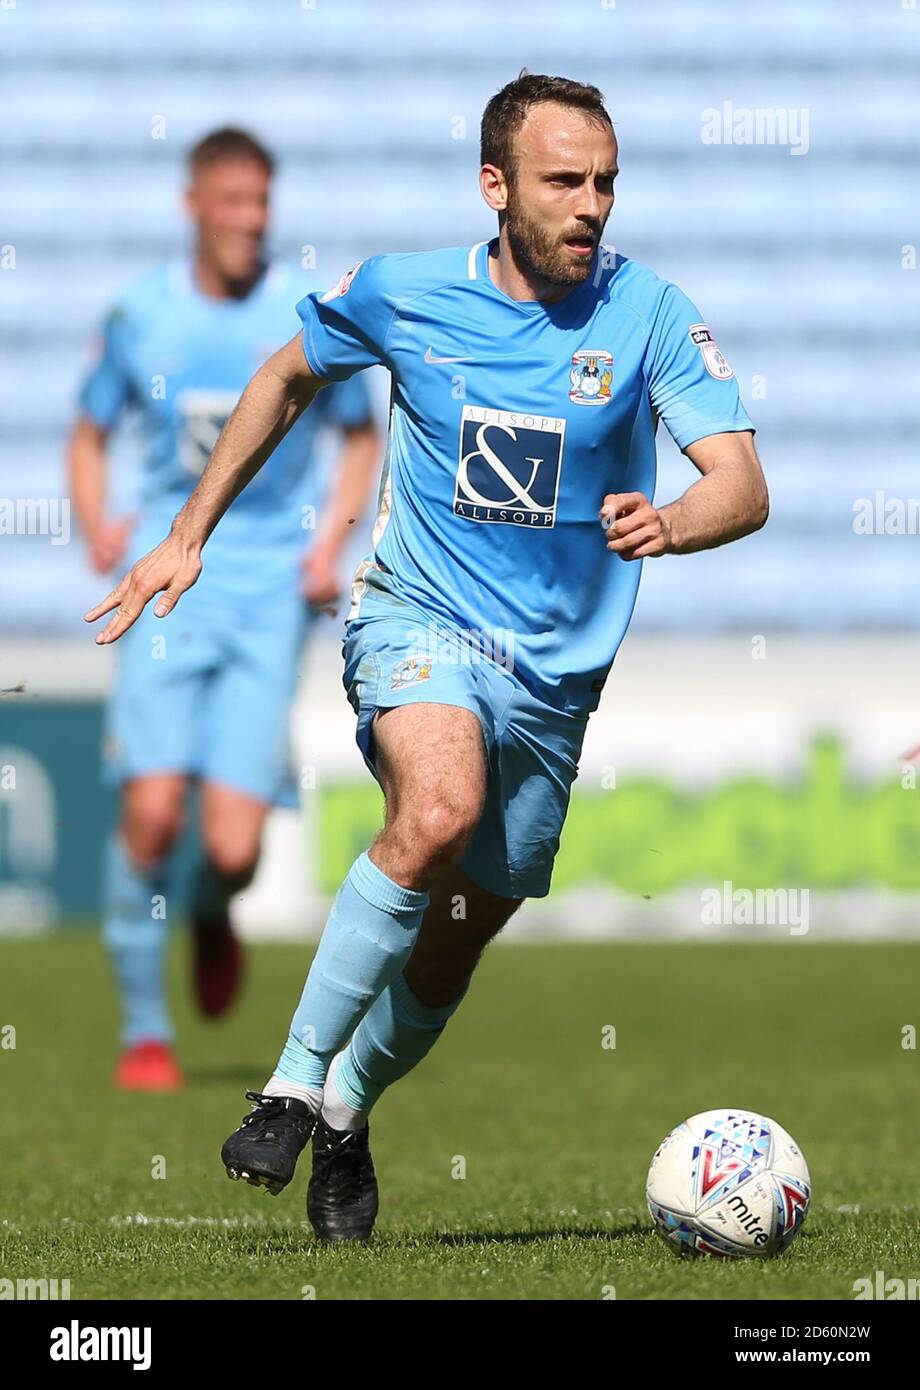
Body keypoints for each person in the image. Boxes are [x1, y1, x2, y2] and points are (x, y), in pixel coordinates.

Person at [85, 75, 768, 1234]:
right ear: (495, 186)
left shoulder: (649, 312)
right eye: (563, 180)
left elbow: (740, 483)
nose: (590, 205)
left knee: (452, 949)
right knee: (436, 802)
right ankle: (293, 1084)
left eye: (604, 181)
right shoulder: (405, 292)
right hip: (418, 618)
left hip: (555, 680)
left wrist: (674, 519)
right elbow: (288, 373)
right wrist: (184, 533)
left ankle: (347, 1112)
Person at [71, 127, 379, 1091]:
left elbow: (360, 433)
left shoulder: (303, 314)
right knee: (155, 813)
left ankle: (209, 909)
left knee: (234, 849)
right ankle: (143, 1034)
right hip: (170, 577)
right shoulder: (140, 316)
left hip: (266, 593)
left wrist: (332, 541)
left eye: (262, 203)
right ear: (195, 206)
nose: (252, 220)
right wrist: (95, 524)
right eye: (234, 202)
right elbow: (89, 430)